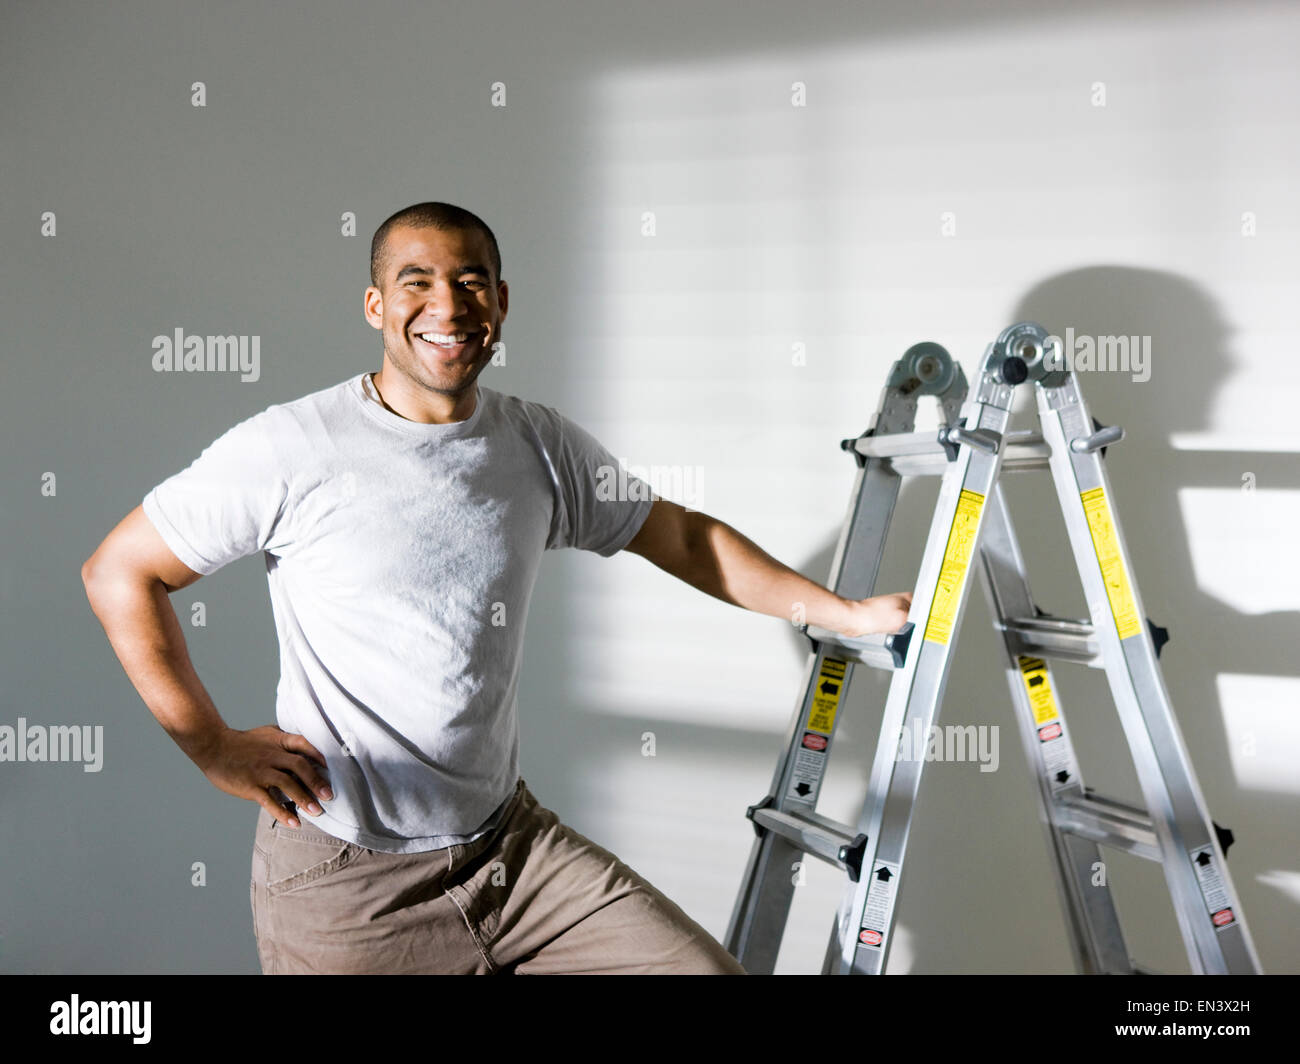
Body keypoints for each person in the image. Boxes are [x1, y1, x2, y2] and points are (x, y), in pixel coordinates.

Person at [80, 201, 913, 975]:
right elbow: (121, 570)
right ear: (375, 306)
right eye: (417, 281)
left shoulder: (536, 444)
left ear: (501, 302)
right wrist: (211, 745)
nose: (447, 304)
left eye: (469, 280)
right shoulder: (295, 446)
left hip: (511, 855)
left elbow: (684, 538)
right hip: (346, 884)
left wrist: (842, 614)